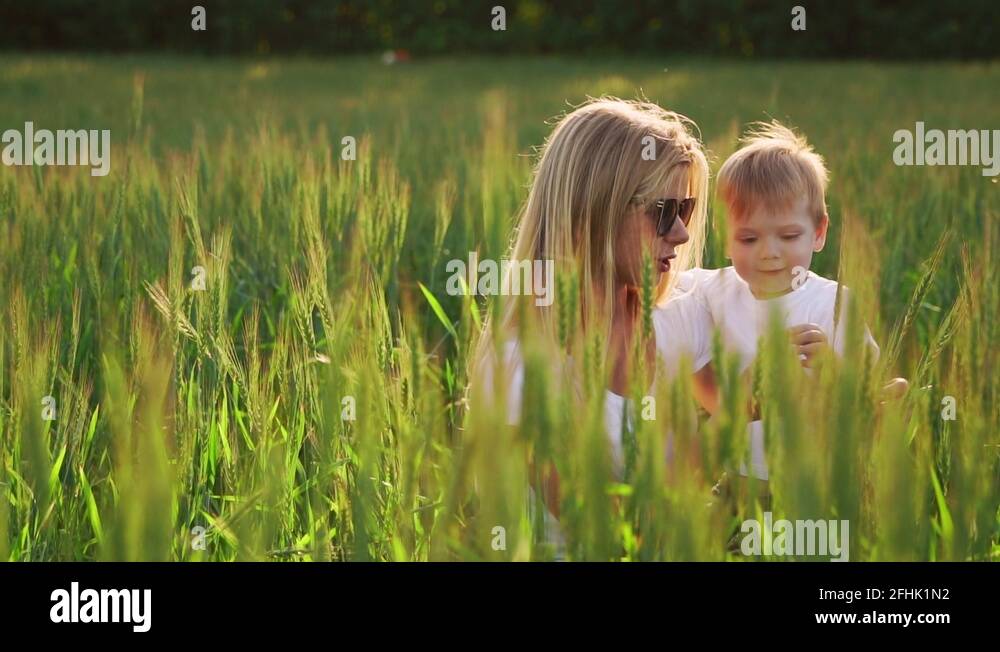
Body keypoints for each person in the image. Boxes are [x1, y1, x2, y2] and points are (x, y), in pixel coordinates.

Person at [468, 97, 710, 553]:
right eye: (663, 211)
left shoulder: (684, 310)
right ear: (594, 210)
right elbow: (614, 534)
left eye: (687, 209)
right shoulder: (520, 368)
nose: (680, 233)